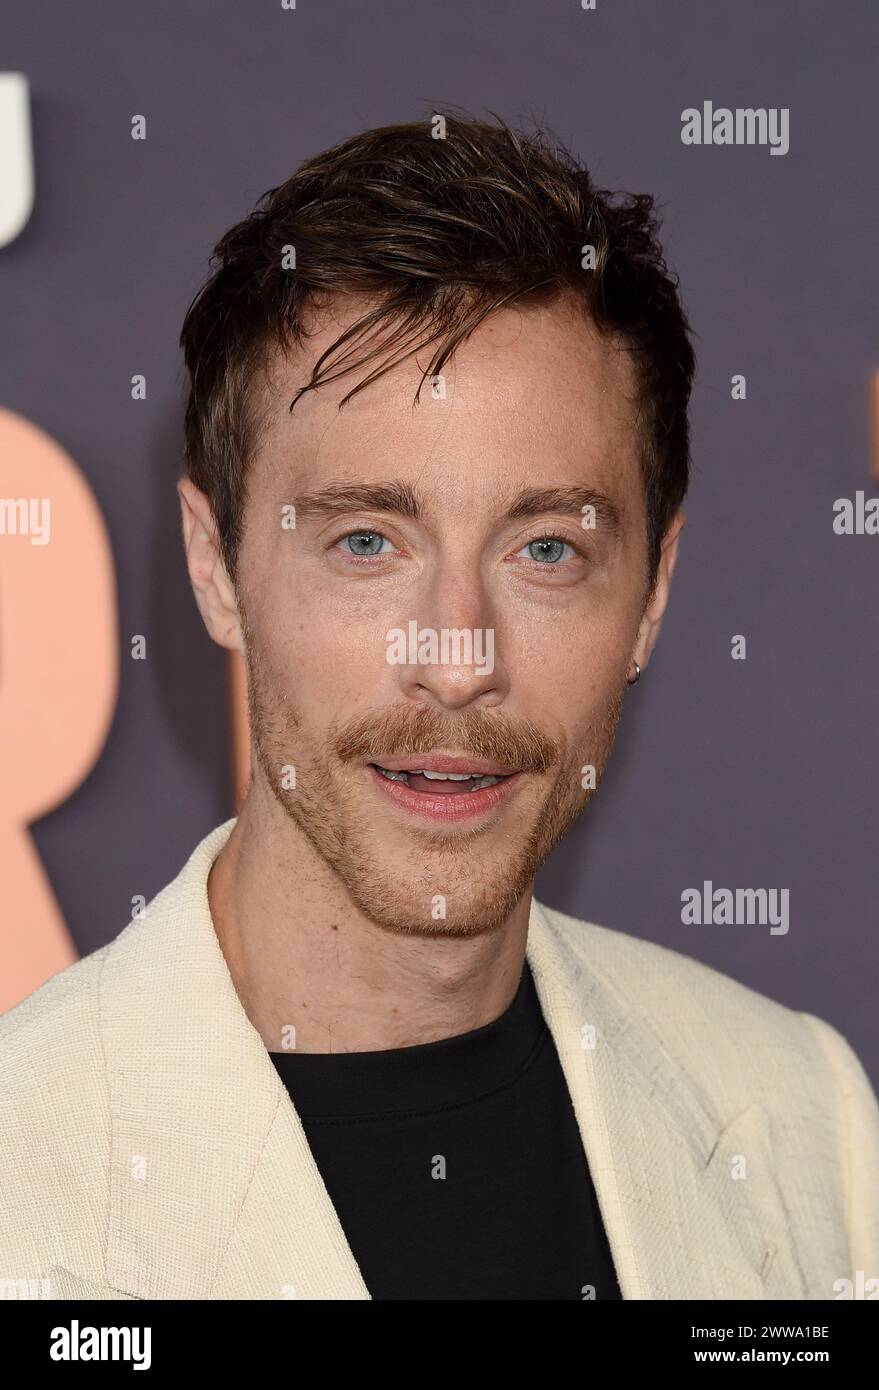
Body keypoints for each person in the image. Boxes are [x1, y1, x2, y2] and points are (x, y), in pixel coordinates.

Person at [1, 114, 876, 1301]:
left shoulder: (801, 1113)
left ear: (655, 594)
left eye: (548, 550)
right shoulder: (27, 1176)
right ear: (214, 566)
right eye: (367, 540)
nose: (457, 657)